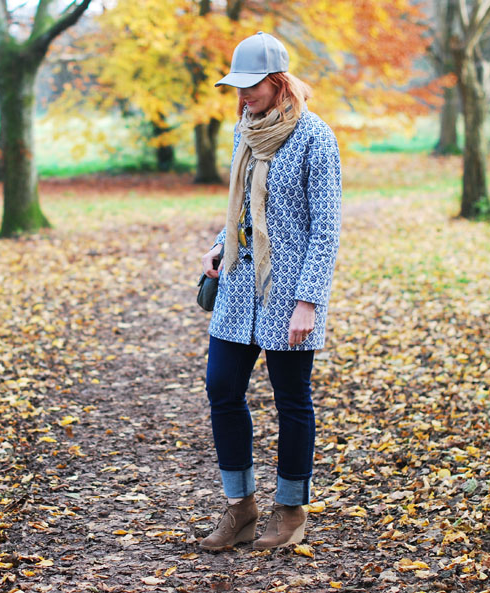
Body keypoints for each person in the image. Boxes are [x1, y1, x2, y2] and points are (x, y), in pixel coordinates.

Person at [199, 31, 341, 551]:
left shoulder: (315, 137)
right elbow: (239, 205)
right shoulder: (245, 128)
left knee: (291, 402)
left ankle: (291, 511)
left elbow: (325, 230)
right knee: (221, 387)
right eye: (236, 87)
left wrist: (309, 301)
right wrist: (219, 244)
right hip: (240, 282)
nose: (242, 96)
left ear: (278, 82)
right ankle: (240, 509)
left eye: (250, 86)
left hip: (290, 291)